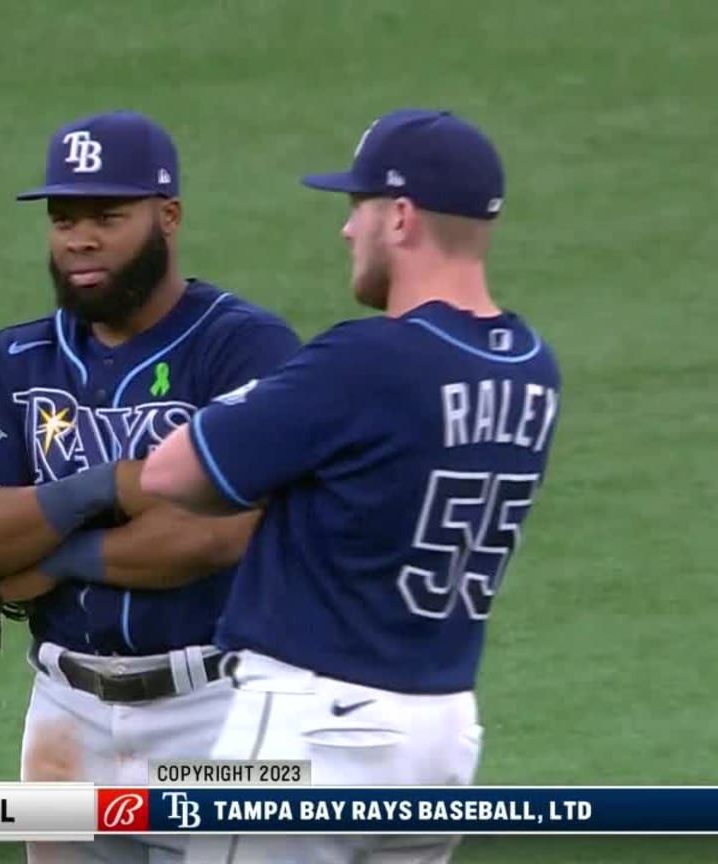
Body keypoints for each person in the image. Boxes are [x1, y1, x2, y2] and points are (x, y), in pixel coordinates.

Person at [142, 109, 562, 864]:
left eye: (356, 207)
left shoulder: (365, 361)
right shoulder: (534, 369)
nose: (346, 231)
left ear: (400, 217)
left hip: (312, 728)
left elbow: (170, 472)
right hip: (441, 737)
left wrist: (272, 403)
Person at [0, 110, 301, 863]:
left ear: (169, 217)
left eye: (107, 216)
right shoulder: (14, 360)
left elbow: (216, 531)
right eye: (64, 219)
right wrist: (107, 486)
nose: (80, 239)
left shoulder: (244, 347)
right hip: (66, 718)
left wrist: (55, 558)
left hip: (222, 713)